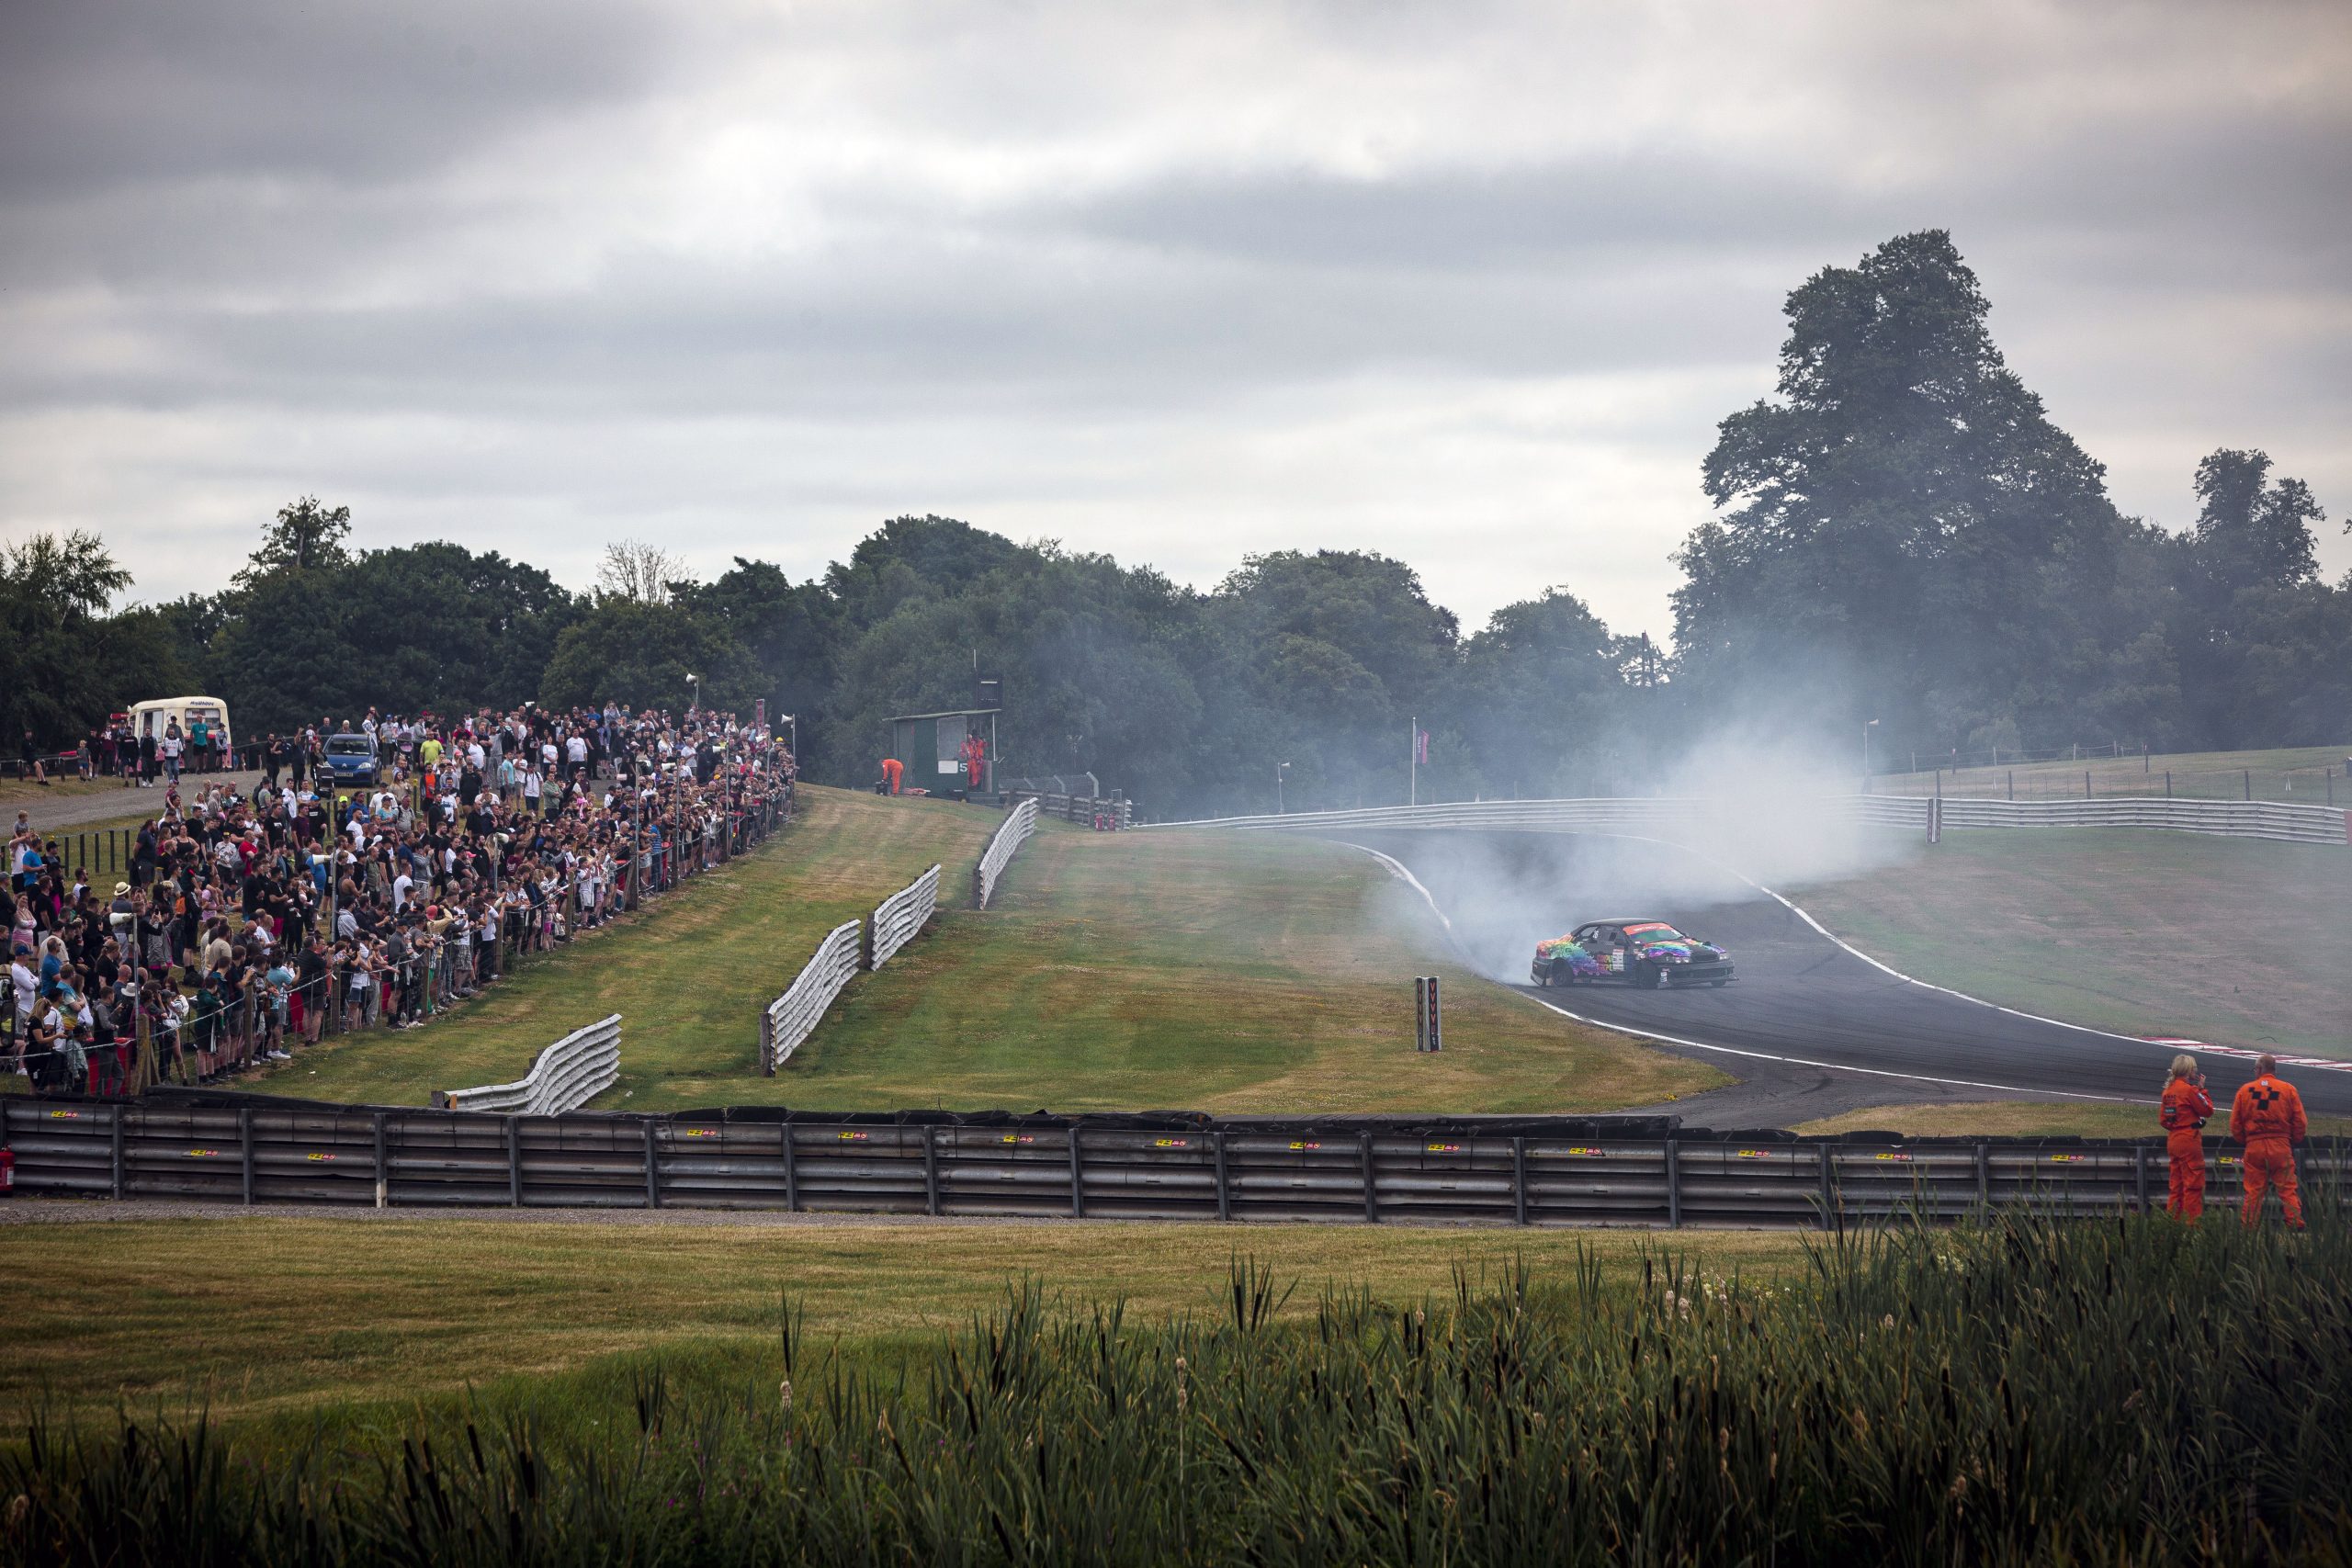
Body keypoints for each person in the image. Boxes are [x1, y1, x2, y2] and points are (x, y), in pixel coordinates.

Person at [2230, 1054, 2309, 1230]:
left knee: (2253, 1191)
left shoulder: (2245, 1090)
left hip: (2254, 1146)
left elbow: (2235, 1123)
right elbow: (2300, 1122)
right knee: (2288, 1188)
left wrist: (2245, 1140)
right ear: (2274, 1069)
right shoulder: (2288, 1089)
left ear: (2259, 1069)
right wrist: (2294, 1140)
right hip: (2280, 1146)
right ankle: (2295, 1224)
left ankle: (2249, 1228)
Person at [2158, 1054, 2213, 1220]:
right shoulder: (2190, 1090)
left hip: (2173, 1140)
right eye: (2194, 1069)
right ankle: (2191, 1225)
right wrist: (2202, 1089)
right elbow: (2208, 1110)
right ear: (2188, 1071)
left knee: (2176, 1186)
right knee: (2193, 1186)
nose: (2196, 1072)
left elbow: (2163, 1121)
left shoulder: (2168, 1092)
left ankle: (2172, 1224)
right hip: (2189, 1140)